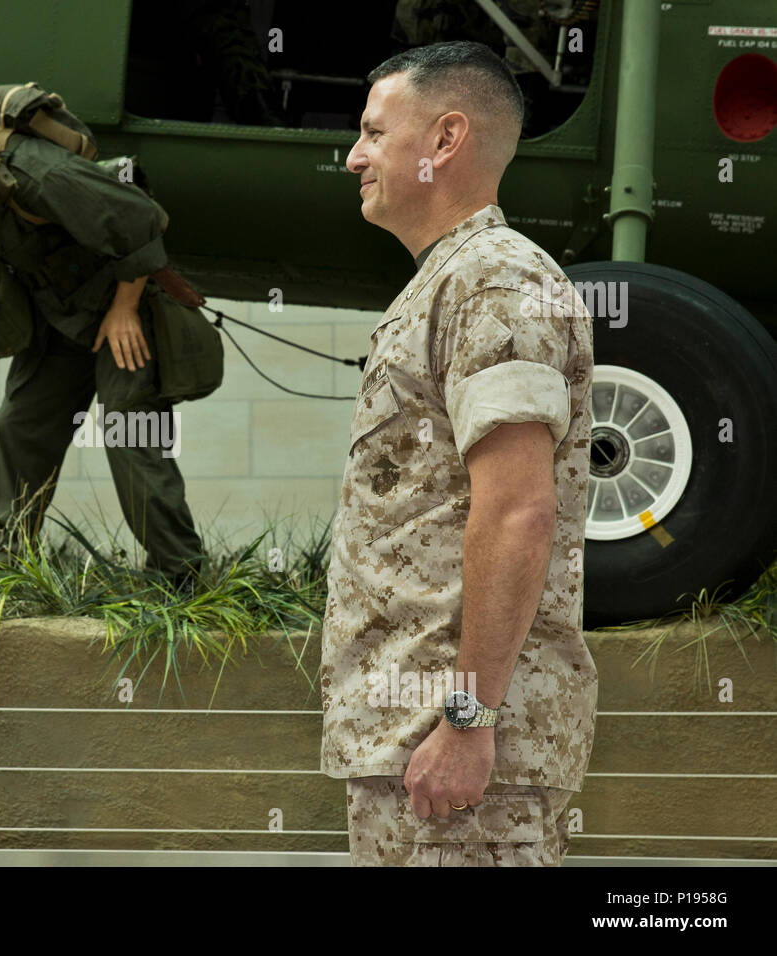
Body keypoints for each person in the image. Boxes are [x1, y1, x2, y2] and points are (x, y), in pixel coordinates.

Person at [321, 41, 597, 866]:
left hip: (461, 757)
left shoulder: (495, 281)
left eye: (374, 133)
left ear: (445, 140)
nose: (353, 157)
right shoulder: (450, 281)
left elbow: (519, 511)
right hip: (418, 746)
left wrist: (469, 721)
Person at [0, 63, 207, 590]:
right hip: (62, 316)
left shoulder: (34, 170)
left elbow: (140, 218)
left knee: (129, 430)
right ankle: (8, 575)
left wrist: (123, 309)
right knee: (19, 427)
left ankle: (180, 580)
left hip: (123, 306)